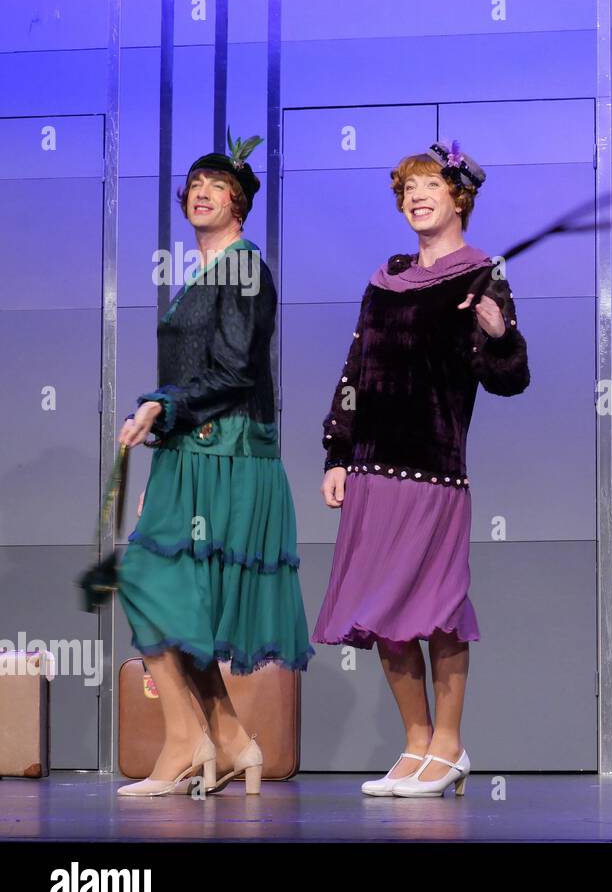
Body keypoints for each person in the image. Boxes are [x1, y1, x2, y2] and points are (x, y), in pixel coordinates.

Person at [313, 140, 529, 798]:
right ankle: (414, 744)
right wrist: (337, 451)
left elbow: (510, 379)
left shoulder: (480, 276)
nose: (416, 197)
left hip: (433, 470)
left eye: (429, 185)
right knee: (382, 613)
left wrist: (499, 334)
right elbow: (356, 370)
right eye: (407, 189)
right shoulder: (385, 279)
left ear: (458, 196)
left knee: (434, 610)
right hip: (373, 468)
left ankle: (450, 746)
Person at [116, 134, 313, 797]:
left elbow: (234, 370)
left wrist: (157, 404)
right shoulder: (203, 274)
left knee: (153, 582)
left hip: (226, 452)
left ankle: (186, 741)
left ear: (242, 202)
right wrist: (162, 431)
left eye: (217, 184)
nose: (201, 190)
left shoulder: (244, 268)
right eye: (194, 182)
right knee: (172, 594)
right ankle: (228, 740)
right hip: (188, 451)